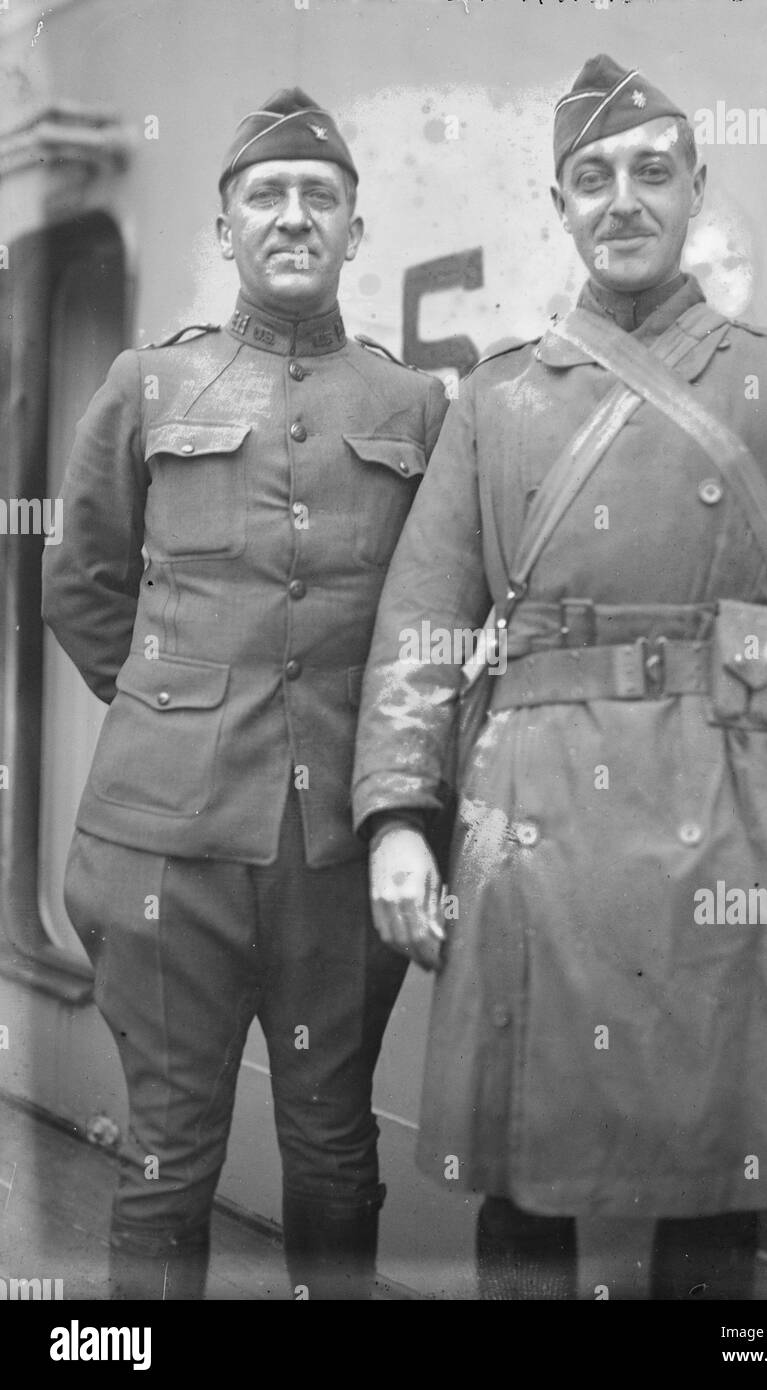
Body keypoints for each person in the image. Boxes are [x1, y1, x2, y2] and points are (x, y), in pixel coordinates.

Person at [352, 54, 767, 1300]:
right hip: (532, 815)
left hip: (740, 818)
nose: (623, 200)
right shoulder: (493, 403)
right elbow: (420, 620)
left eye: (651, 172)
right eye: (591, 179)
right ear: (559, 206)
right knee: (524, 1160)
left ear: (694, 188)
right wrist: (398, 816)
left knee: (720, 1159)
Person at [42, 86, 447, 1300]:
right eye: (264, 196)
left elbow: (429, 617)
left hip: (334, 855)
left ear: (353, 232)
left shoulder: (414, 405)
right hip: (167, 844)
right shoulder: (148, 387)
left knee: (333, 1153)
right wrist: (179, 713)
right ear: (225, 229)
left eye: (319, 197)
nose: (292, 216)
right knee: (169, 1160)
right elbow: (84, 585)